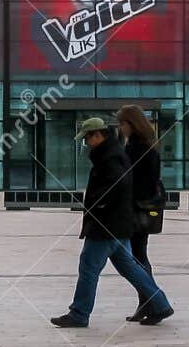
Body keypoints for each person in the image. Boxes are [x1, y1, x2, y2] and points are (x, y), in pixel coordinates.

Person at [52, 117, 173, 329]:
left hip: (106, 225)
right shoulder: (115, 153)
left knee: (89, 266)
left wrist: (99, 207)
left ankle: (79, 313)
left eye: (87, 138)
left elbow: (115, 186)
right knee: (131, 268)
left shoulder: (110, 157)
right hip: (119, 224)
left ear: (98, 135)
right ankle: (160, 303)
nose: (86, 143)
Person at [115, 104, 161, 273]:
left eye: (122, 124)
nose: (121, 129)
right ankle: (149, 297)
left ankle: (151, 296)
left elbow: (132, 181)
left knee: (137, 255)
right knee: (138, 254)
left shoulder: (136, 149)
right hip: (141, 208)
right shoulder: (148, 147)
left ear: (132, 124)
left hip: (135, 209)